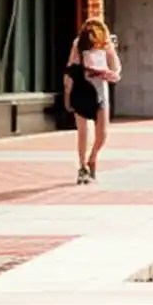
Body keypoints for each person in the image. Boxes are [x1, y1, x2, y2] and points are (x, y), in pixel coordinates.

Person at [63, 18, 121, 185]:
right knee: (83, 131)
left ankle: (93, 158)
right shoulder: (78, 44)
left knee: (102, 134)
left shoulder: (106, 45)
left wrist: (111, 74)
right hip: (81, 90)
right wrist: (68, 94)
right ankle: (82, 166)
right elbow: (70, 70)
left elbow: (116, 66)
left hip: (100, 92)